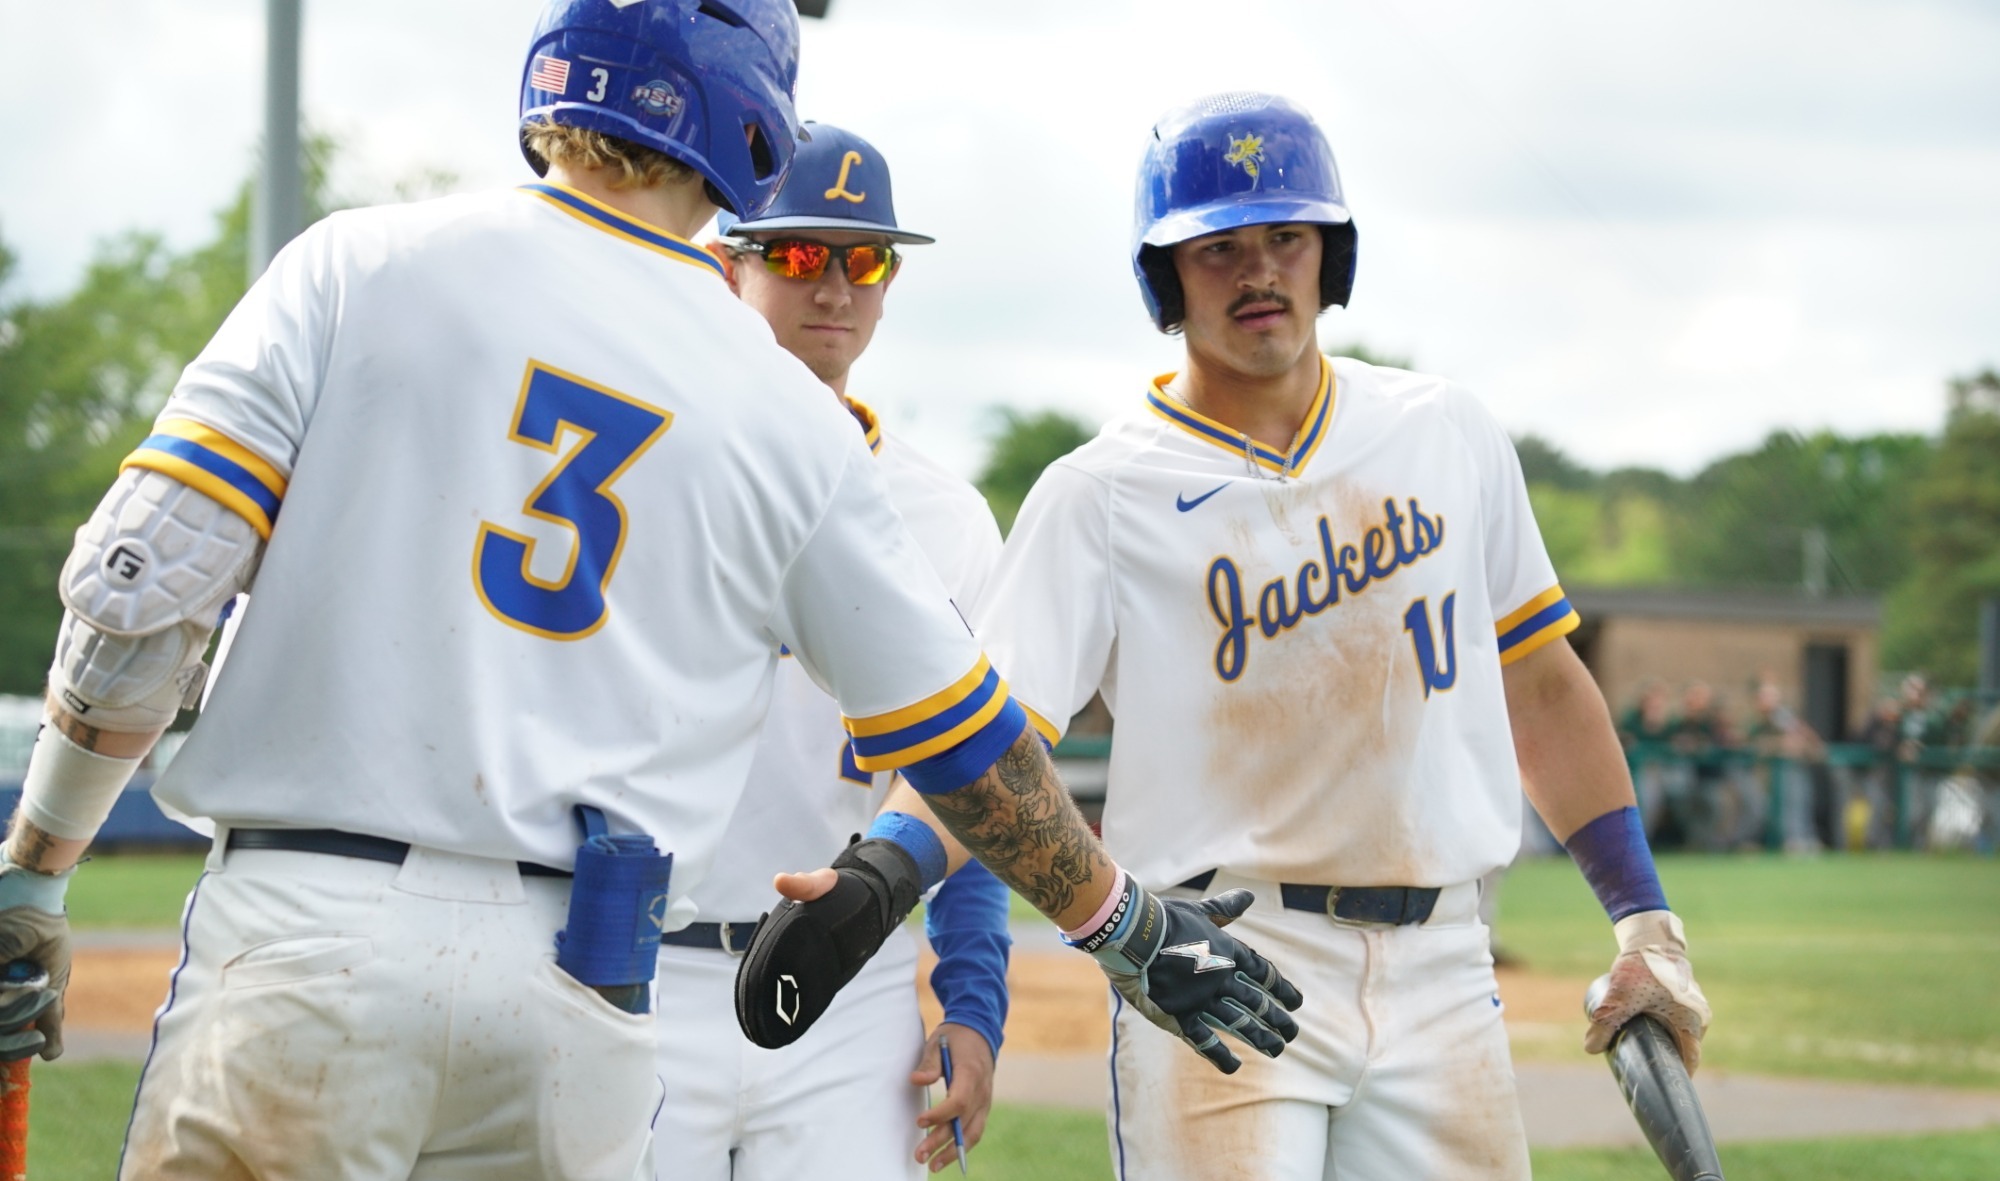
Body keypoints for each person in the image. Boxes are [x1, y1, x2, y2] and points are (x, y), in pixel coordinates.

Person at [0, 8, 1300, 1178]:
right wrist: (1121, 923)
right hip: (579, 994)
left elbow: (144, 591)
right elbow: (969, 747)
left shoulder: (358, 264)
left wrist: (38, 870)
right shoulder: (787, 417)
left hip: (306, 937)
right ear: (755, 126)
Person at [974, 92, 1712, 1179]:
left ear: (1331, 254)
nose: (1258, 269)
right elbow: (984, 746)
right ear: (1164, 278)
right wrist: (880, 879)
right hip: (1224, 953)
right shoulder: (1100, 491)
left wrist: (1644, 918)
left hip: (1444, 966)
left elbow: (1543, 688)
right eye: (1216, 247)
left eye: (1286, 235)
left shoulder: (1442, 431)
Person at [650, 123, 1009, 1180]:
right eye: (802, 254)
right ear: (728, 267)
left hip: (847, 985)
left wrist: (972, 1002)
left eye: (867, 258)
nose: (838, 286)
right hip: (637, 968)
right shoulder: (644, 467)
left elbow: (963, 787)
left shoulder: (943, 517)